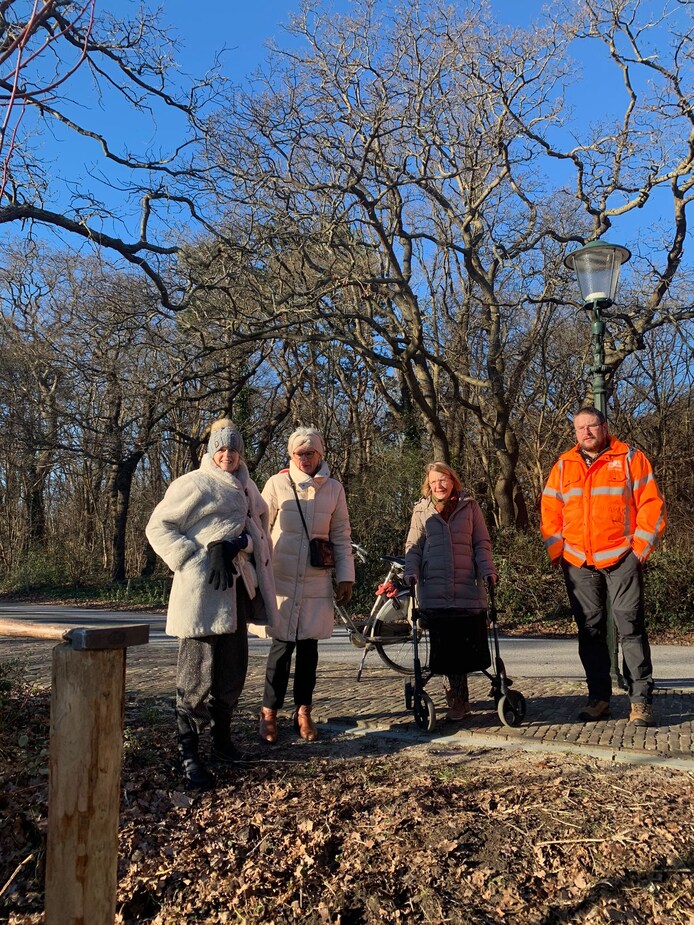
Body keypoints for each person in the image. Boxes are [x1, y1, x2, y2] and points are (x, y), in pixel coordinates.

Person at [146, 418, 278, 789]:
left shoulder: (250, 488)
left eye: (233, 449)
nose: (227, 455)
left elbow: (260, 535)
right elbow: (158, 526)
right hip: (202, 592)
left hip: (237, 591)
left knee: (232, 673)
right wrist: (194, 558)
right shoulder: (194, 484)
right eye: (221, 448)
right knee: (195, 675)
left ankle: (222, 742)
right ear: (211, 451)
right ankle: (190, 754)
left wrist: (239, 545)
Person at [540, 406, 666, 727]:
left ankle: (640, 700)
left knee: (630, 625)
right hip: (578, 561)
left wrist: (638, 550)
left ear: (604, 426)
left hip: (622, 555)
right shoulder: (563, 465)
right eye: (580, 428)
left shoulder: (630, 458)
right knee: (590, 629)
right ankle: (599, 699)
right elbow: (550, 509)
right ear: (575, 432)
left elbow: (652, 505)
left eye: (591, 426)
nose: (586, 432)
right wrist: (559, 552)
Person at [258, 427, 355, 744]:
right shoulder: (276, 483)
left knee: (309, 652)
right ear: (291, 454)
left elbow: (341, 536)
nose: (305, 458)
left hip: (316, 580)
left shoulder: (334, 489)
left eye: (310, 452)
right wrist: (258, 573)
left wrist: (346, 576)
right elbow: (260, 528)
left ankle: (303, 711)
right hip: (281, 578)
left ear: (320, 454)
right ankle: (269, 713)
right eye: (299, 453)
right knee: (281, 649)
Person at [400, 461, 497, 721]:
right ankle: (455, 696)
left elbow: (481, 543)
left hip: (467, 586)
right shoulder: (421, 510)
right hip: (434, 588)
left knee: (464, 644)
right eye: (433, 482)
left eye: (442, 480)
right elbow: (414, 547)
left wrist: (488, 571)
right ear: (428, 486)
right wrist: (411, 573)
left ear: (453, 481)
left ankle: (460, 698)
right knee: (444, 646)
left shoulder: (470, 507)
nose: (438, 486)